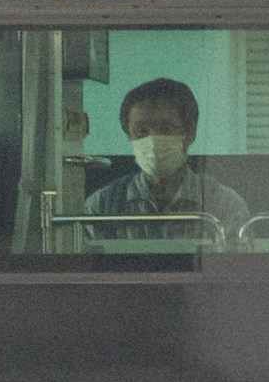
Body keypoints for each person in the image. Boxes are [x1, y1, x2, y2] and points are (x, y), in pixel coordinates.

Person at [86, 74, 250, 252]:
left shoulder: (225, 205)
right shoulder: (101, 207)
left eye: (166, 128)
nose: (154, 140)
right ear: (129, 136)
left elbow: (237, 271)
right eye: (142, 131)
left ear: (190, 133)